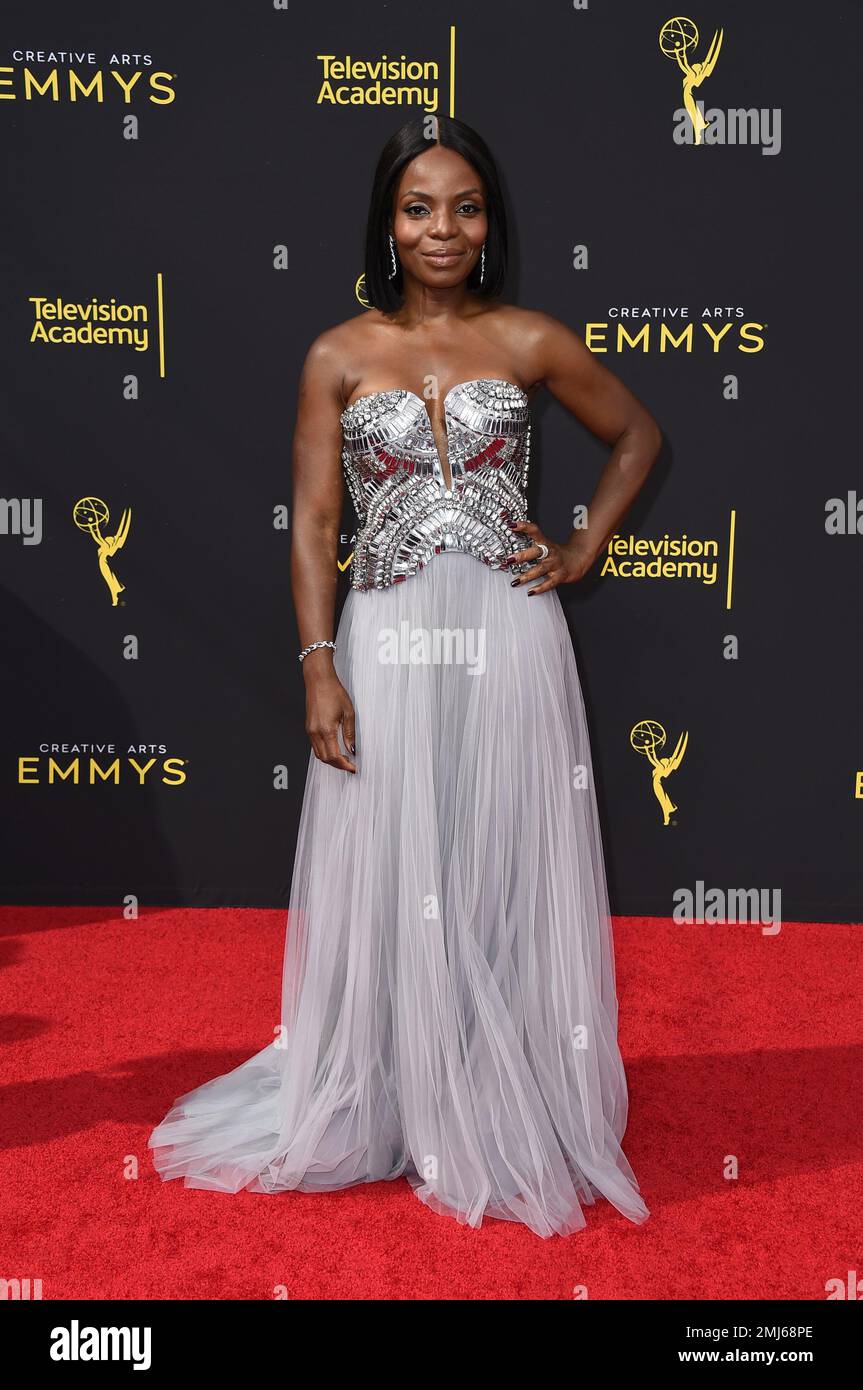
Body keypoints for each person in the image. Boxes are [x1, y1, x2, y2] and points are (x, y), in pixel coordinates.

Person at [149, 115, 662, 1238]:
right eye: (419, 206)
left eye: (465, 206)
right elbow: (315, 519)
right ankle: (382, 1082)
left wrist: (579, 547)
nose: (444, 227)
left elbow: (634, 435)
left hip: (508, 633)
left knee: (493, 849)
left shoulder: (527, 338)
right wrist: (317, 666)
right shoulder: (337, 354)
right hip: (382, 631)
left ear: (490, 222)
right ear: (387, 222)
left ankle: (493, 1078)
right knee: (395, 853)